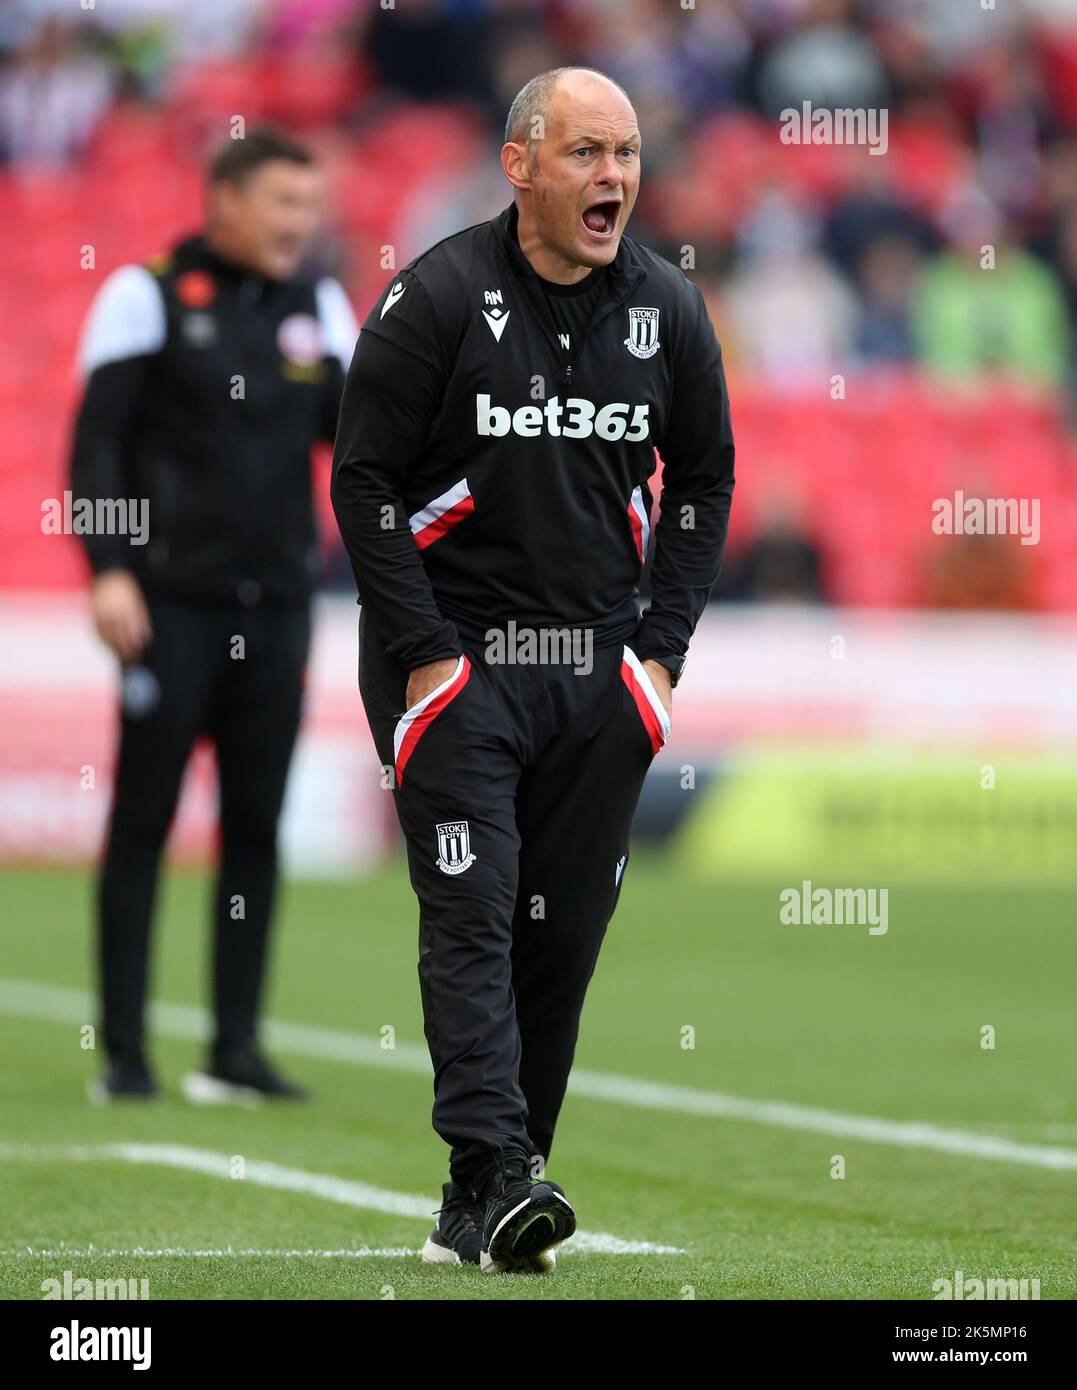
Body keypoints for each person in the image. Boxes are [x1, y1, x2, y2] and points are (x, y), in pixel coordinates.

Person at [331, 67, 735, 1273]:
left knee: (558, 939)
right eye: (586, 154)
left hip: (599, 678)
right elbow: (363, 483)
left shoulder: (672, 307)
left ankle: (486, 1192)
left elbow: (706, 483)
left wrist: (658, 659)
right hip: (459, 667)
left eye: (626, 155)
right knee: (473, 918)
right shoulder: (435, 298)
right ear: (520, 166)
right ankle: (505, 1170)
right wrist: (425, 658)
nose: (613, 177)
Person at [71, 129, 358, 1105]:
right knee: (143, 820)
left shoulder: (318, 306)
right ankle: (124, 1052)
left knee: (255, 827)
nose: (299, 226)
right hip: (169, 607)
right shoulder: (145, 294)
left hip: (278, 608)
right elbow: (96, 446)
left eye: (309, 209)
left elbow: (363, 440)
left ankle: (234, 1049)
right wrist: (109, 569)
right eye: (283, 204)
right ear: (224, 200)